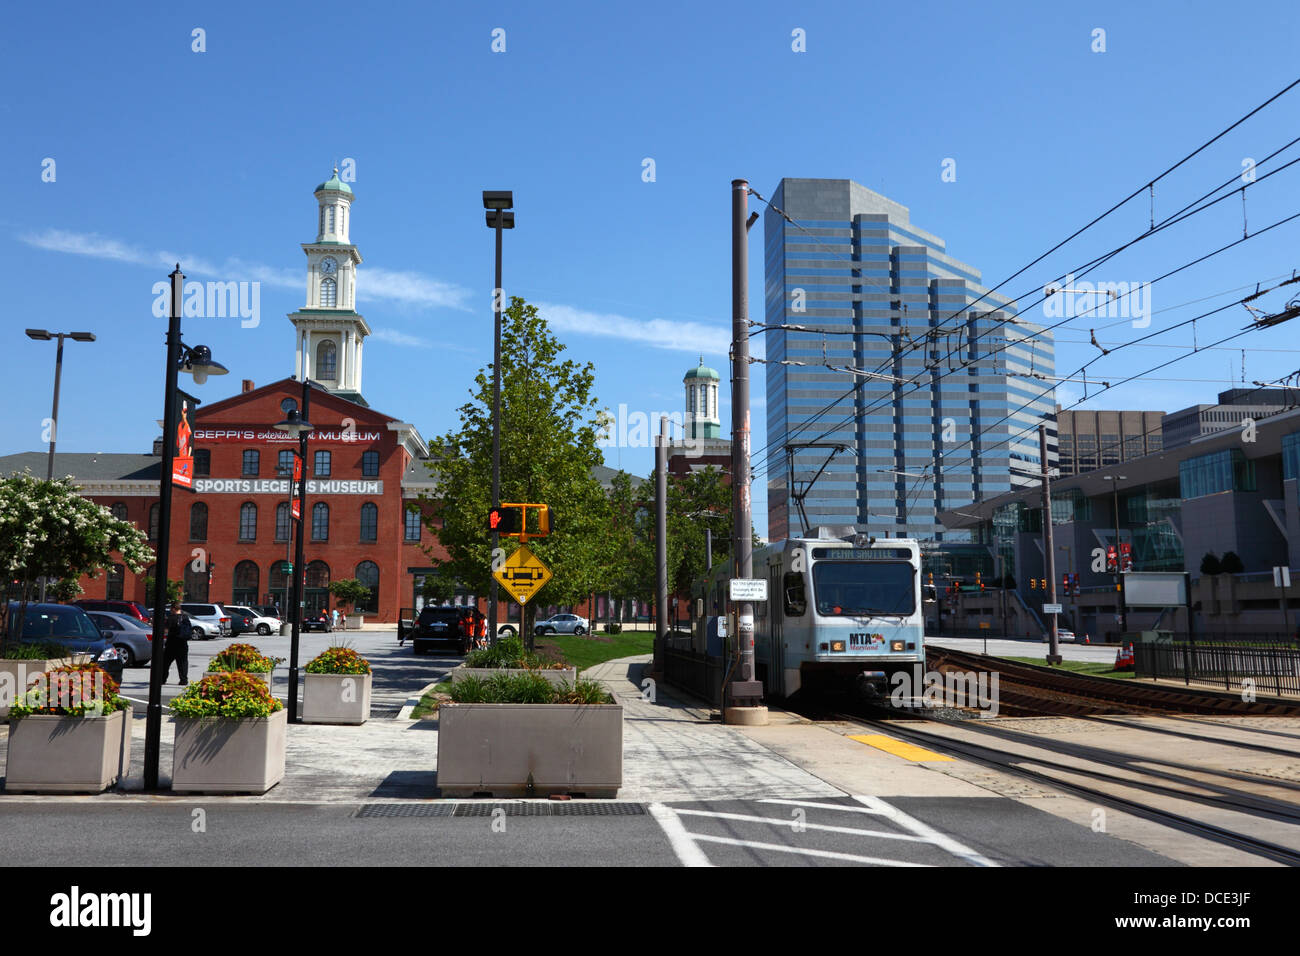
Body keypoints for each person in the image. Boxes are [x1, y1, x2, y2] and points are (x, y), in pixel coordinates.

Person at [163, 602, 193, 686]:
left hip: (172, 644)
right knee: (183, 663)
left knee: (165, 663)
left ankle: (162, 679)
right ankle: (183, 680)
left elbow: (165, 630)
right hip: (183, 644)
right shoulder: (185, 617)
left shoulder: (171, 618)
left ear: (173, 609)